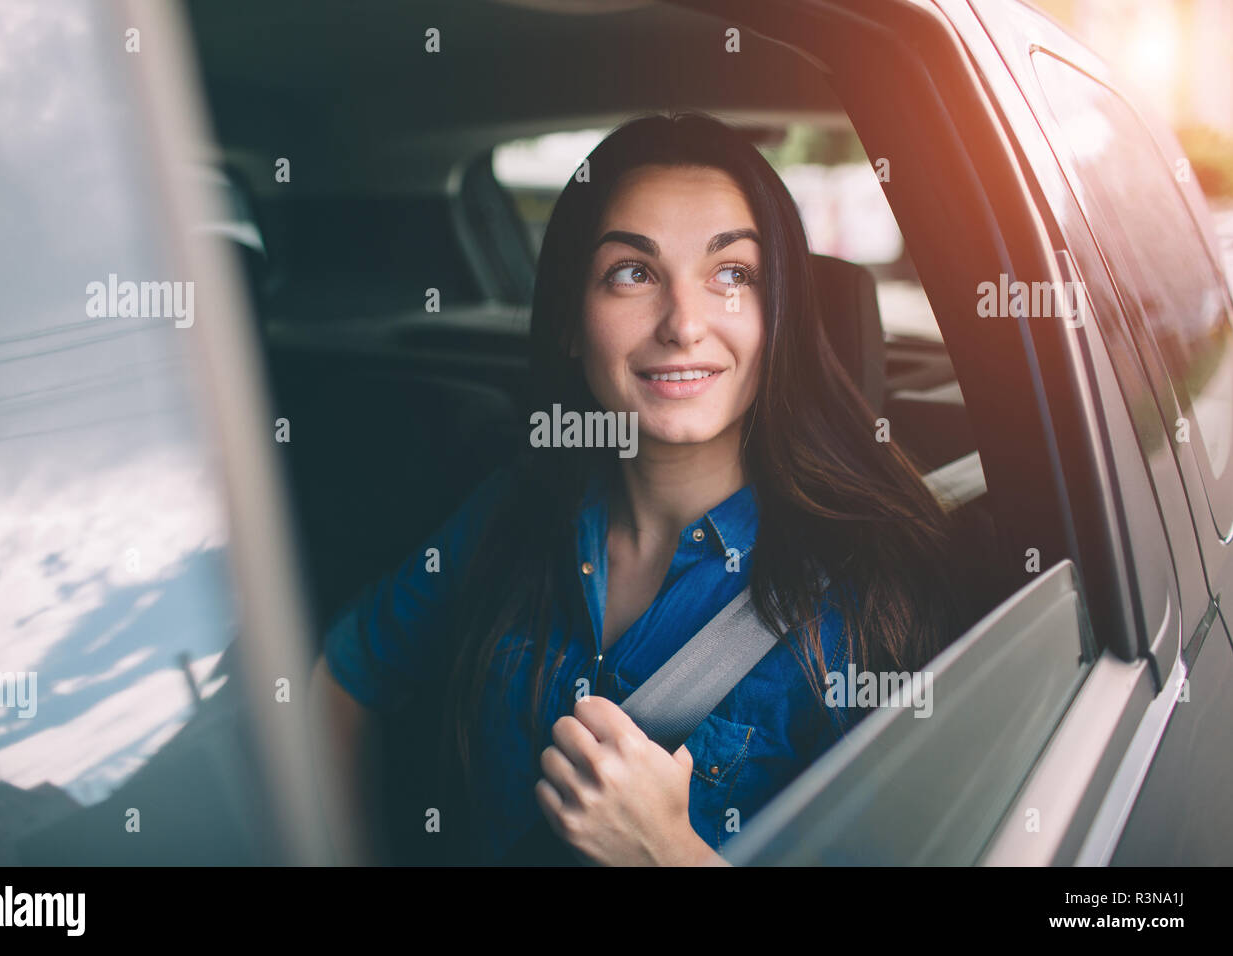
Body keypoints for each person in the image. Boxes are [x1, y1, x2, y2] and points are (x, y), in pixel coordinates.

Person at [310, 111, 979, 866]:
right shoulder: (511, 512)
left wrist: (665, 851)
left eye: (732, 274)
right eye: (633, 272)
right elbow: (346, 673)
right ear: (570, 319)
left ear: (780, 315)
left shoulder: (869, 596)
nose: (684, 324)